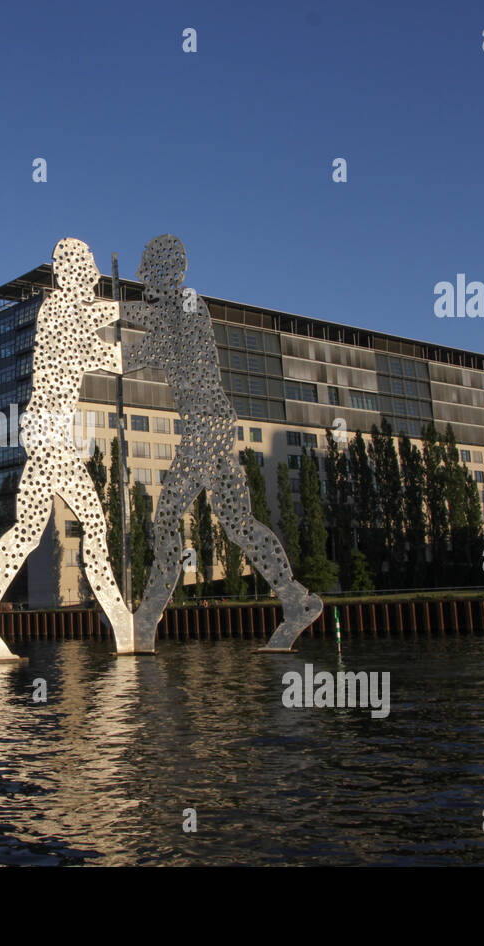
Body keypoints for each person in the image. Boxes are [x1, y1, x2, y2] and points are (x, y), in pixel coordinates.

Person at [122, 234, 322, 650]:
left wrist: (94, 337)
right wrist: (101, 311)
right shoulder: (178, 311)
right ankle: (294, 598)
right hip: (211, 427)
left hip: (206, 429)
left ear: (167, 270)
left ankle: (147, 618)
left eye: (147, 265)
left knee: (165, 518)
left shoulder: (189, 308)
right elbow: (139, 313)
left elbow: (137, 351)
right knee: (237, 522)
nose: (141, 273)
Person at [0, 238, 134, 660]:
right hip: (51, 434)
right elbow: (102, 353)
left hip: (46, 432)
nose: (93, 276)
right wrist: (134, 347)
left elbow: (104, 312)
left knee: (28, 531)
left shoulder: (69, 308)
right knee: (93, 522)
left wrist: (130, 310)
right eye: (87, 268)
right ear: (71, 273)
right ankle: (120, 618)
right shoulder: (58, 310)